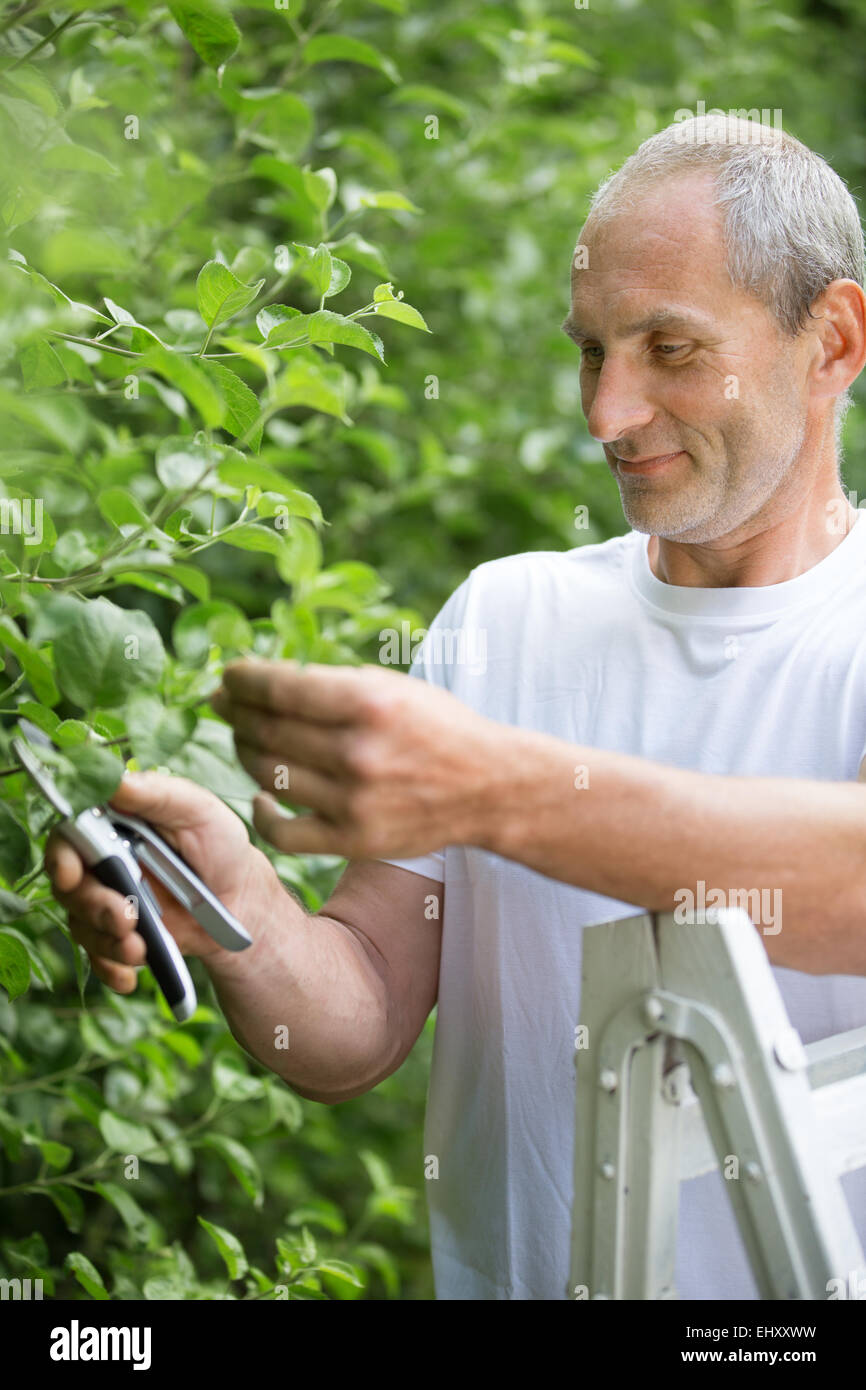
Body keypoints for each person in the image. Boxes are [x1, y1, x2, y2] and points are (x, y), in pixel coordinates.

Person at [47, 114, 866, 1300]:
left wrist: (494, 789)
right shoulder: (507, 615)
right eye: (590, 352)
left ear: (832, 339)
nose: (606, 413)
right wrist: (239, 902)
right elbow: (354, 1024)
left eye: (669, 349)